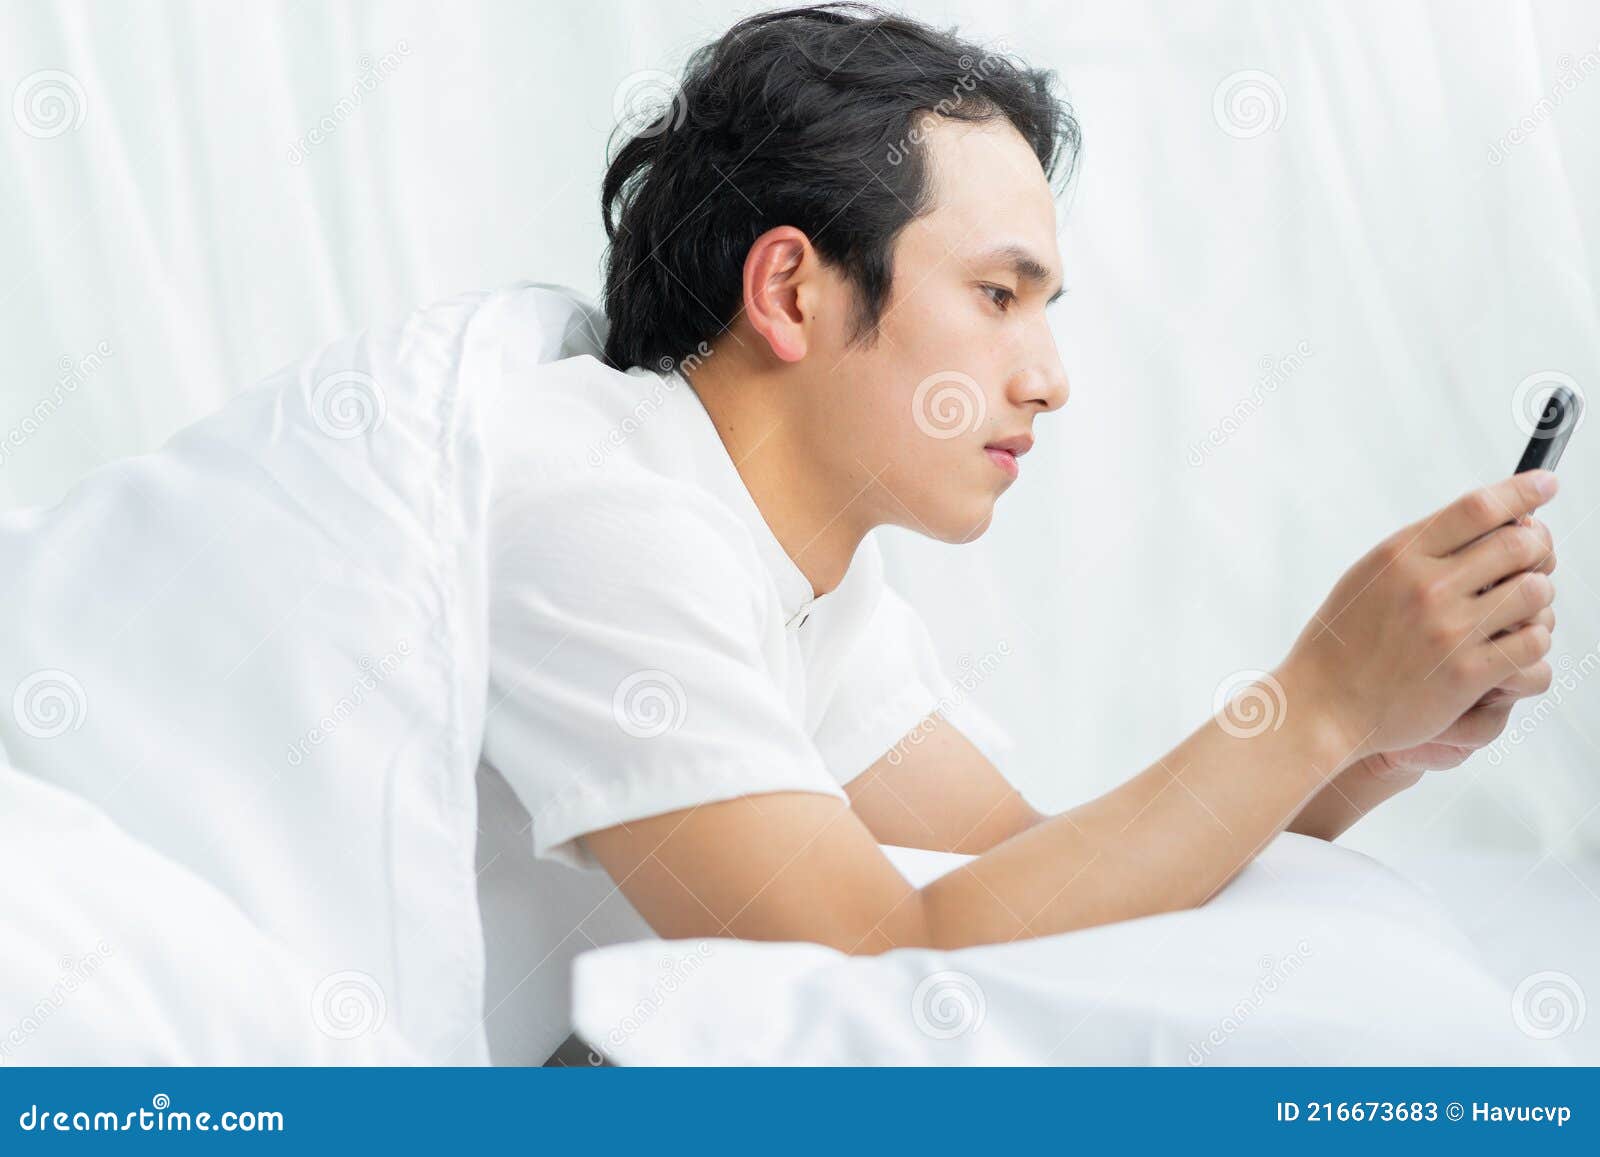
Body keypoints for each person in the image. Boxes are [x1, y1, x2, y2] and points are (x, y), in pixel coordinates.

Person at [482, 2, 1558, 989]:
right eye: (997, 295)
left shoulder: (802, 583)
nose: (1048, 378)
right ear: (789, 291)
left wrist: (1364, 741)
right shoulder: (598, 512)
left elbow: (1030, 880)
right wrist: (1316, 698)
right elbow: (881, 962)